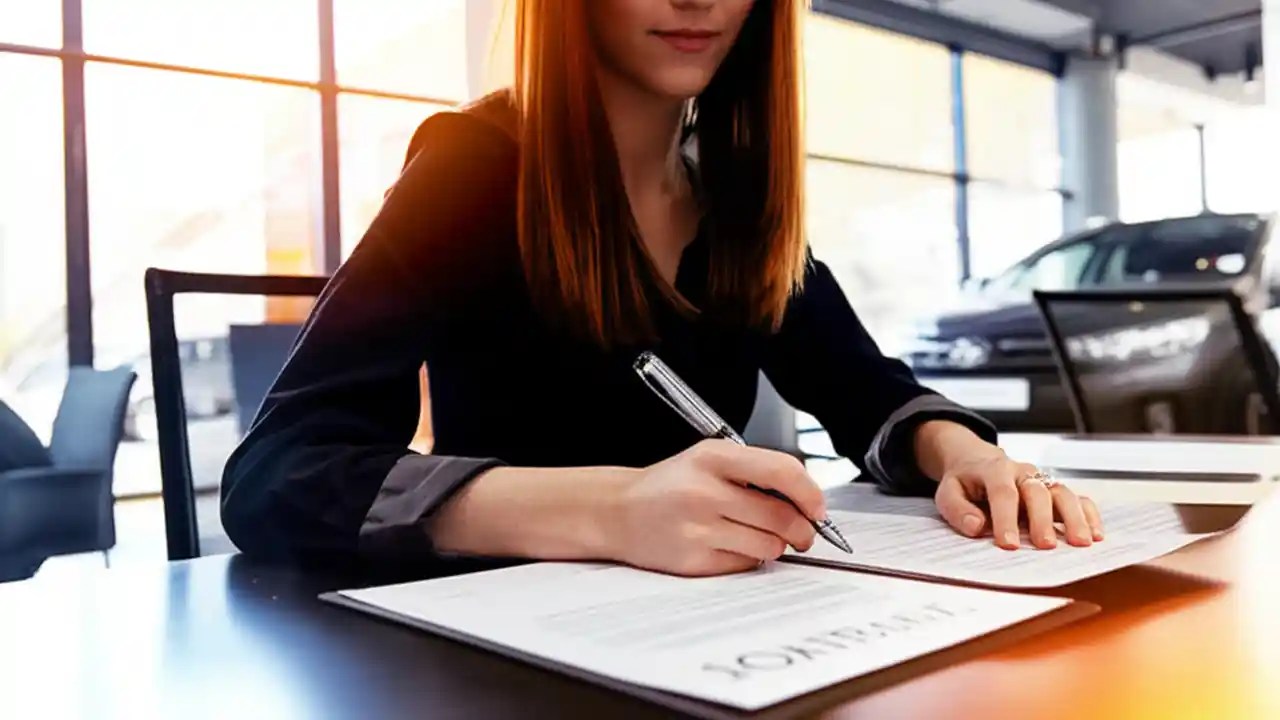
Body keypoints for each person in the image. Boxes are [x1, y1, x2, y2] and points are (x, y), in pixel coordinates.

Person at [221, 0, 1104, 576]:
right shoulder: (475, 167)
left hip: (721, 647)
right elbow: (276, 472)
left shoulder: (733, 206)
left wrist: (971, 460)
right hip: (512, 658)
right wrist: (609, 510)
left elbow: (869, 393)